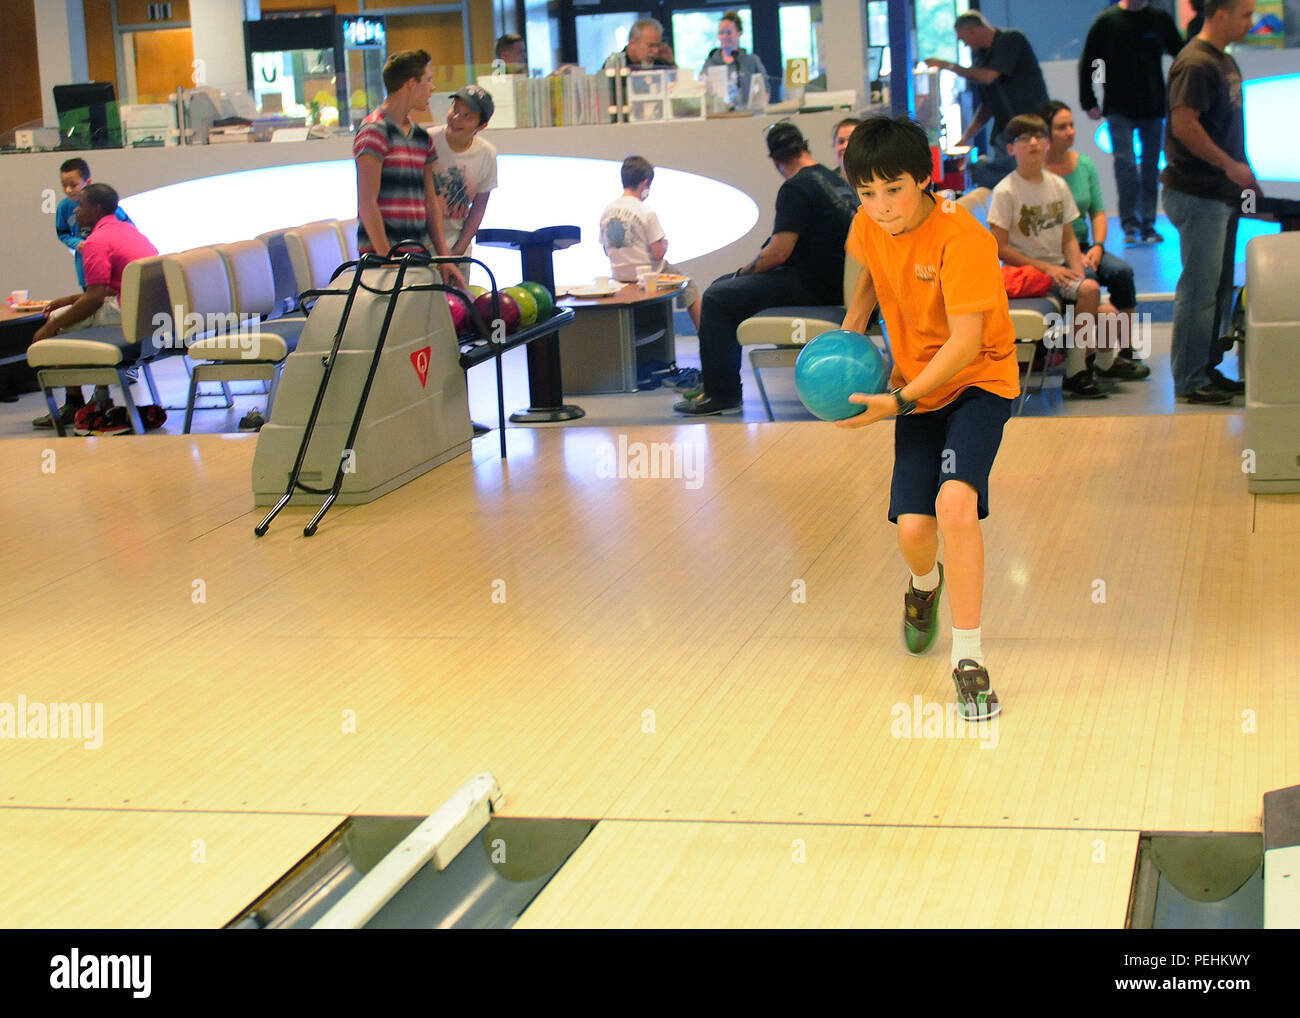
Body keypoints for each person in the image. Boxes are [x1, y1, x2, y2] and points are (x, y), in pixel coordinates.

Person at [837, 116, 1020, 721]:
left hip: (976, 381)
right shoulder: (868, 223)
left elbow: (966, 342)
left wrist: (902, 400)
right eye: (867, 193)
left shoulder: (961, 238)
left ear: (923, 180)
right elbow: (869, 270)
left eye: (893, 190)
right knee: (914, 532)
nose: (881, 206)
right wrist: (849, 339)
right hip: (915, 382)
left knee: (954, 505)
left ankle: (968, 658)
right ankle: (923, 589)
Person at [675, 122, 855, 416]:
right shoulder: (832, 180)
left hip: (811, 285)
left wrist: (742, 272)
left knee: (718, 296)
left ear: (775, 160)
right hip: (834, 280)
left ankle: (722, 394)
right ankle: (715, 383)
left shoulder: (796, 187)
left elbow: (777, 253)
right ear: (805, 145)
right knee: (725, 286)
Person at [987, 112, 1125, 399]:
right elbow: (999, 248)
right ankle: (1076, 374)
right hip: (1025, 274)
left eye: (1039, 136)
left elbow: (1068, 237)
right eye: (1024, 139)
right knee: (1088, 290)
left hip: (1057, 270)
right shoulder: (1005, 191)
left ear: (1047, 144)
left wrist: (1077, 270)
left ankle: (1097, 367)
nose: (1034, 142)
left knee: (1111, 315)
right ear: (1011, 148)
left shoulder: (1056, 185)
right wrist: (1050, 270)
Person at [1162, 0, 1258, 404]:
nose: (1251, 22)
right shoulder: (1197, 63)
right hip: (1197, 192)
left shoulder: (1222, 60)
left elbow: (1229, 127)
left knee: (1216, 290)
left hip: (1218, 192)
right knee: (1198, 292)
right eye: (1246, 15)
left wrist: (1243, 172)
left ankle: (1205, 368)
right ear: (1219, 14)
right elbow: (1184, 124)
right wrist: (1229, 166)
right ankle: (1189, 378)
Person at [31, 183, 158, 429]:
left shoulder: (96, 241)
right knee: (69, 312)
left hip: (125, 313)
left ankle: (74, 402)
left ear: (96, 209)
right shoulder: (130, 232)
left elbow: (94, 299)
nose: (76, 212)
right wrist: (70, 299)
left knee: (58, 320)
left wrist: (49, 328)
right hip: (148, 311)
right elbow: (113, 285)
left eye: (81, 206)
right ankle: (98, 397)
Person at [1039, 100, 1150, 379]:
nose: (1070, 132)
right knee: (1088, 281)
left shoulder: (1084, 164)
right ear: (1047, 134)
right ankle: (1089, 358)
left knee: (1122, 272)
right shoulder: (1037, 172)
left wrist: (1098, 246)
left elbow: (1098, 213)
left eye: (1072, 125)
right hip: (1054, 252)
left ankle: (1124, 352)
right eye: (1062, 127)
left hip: (1086, 245)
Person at [1078, 0, 1185, 246]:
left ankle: (1148, 223)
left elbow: (1180, 54)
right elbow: (1092, 62)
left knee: (1150, 166)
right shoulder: (1107, 22)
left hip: (1153, 105)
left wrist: (1178, 95)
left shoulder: (1159, 19)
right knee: (1125, 165)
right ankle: (1129, 223)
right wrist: (1090, 99)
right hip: (1118, 106)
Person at [353, 49, 463, 288]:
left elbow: (430, 201)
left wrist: (444, 257)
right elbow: (367, 203)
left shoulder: (421, 136)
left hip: (416, 255)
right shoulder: (374, 131)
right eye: (429, 80)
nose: (432, 88)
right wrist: (387, 258)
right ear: (412, 84)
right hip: (381, 261)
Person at [924, 10, 1048, 190]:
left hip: (1030, 125)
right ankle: (980, 170)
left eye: (963, 38)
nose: (964, 44)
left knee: (1020, 178)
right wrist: (966, 137)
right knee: (1008, 184)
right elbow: (987, 105)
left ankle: (980, 169)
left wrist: (948, 66)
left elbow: (988, 77)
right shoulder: (980, 56)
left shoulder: (1010, 40)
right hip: (1005, 130)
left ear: (973, 30)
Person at [599, 156, 702, 330]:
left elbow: (605, 249)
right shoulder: (646, 212)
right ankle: (706, 336)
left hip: (619, 275)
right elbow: (658, 253)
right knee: (689, 285)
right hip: (649, 274)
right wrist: (665, 244)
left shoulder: (607, 211)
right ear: (645, 183)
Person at [429, 85, 498, 277]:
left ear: (481, 125)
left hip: (458, 250)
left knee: (458, 305)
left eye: (467, 116)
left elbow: (478, 208)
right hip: (422, 249)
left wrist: (458, 251)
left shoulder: (486, 154)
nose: (456, 118)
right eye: (455, 109)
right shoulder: (428, 141)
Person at [55, 158, 131, 289]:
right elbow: (63, 233)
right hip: (85, 267)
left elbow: (129, 228)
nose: (68, 190)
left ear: (88, 182)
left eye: (73, 185)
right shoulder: (64, 207)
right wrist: (76, 243)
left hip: (111, 269)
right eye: (64, 185)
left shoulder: (106, 204)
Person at [699, 10, 768, 110]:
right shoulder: (710, 63)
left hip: (747, 115)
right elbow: (702, 89)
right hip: (719, 116)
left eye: (728, 33)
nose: (725, 36)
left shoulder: (751, 61)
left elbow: (764, 91)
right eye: (721, 33)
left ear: (739, 33)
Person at [604, 18, 674, 71]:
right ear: (633, 42)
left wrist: (671, 62)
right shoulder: (613, 65)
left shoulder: (660, 65)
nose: (656, 51)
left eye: (658, 46)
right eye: (650, 45)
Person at [832, 117, 862, 201]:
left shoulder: (878, 179)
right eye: (841, 142)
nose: (845, 146)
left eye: (851, 140)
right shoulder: (827, 183)